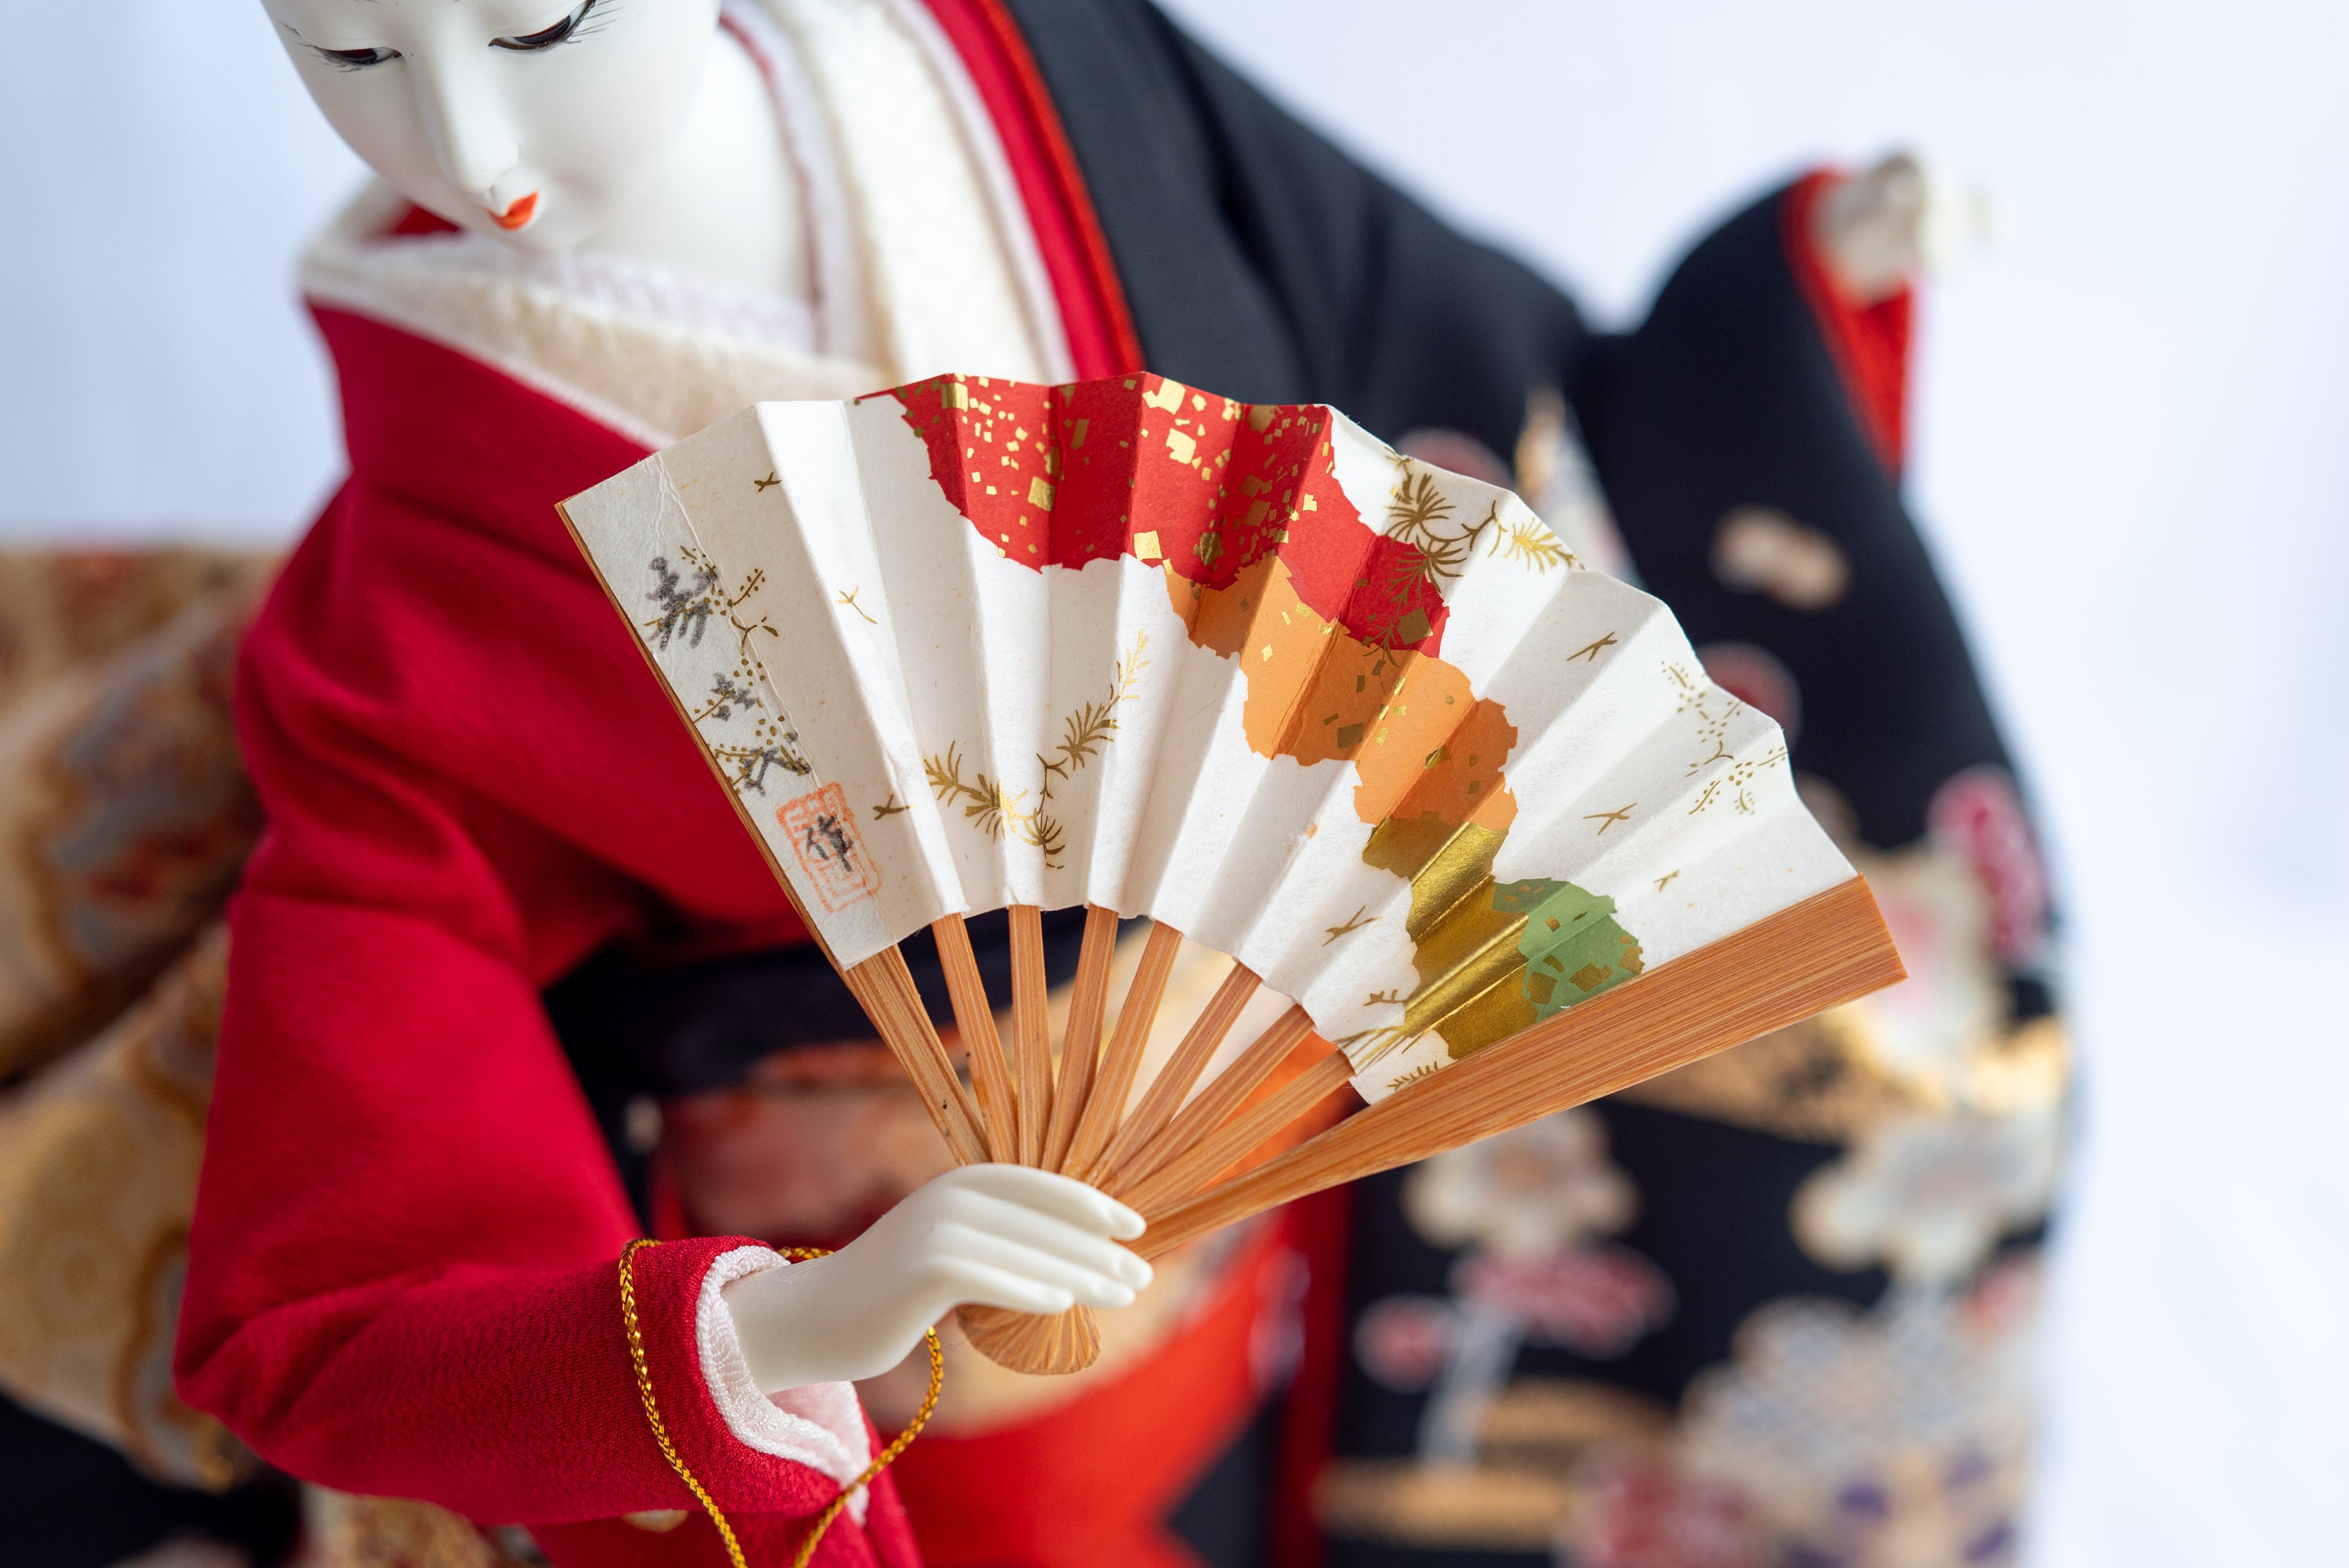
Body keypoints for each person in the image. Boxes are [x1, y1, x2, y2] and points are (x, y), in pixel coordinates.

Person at [149, 2, 2062, 1565]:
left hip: (1278, 1101)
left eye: (543, 20)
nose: (474, 152)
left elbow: (1439, 373)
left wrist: (1765, 343)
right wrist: (779, 1332)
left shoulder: (1042, 78)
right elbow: (375, 1106)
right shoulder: (407, 592)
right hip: (920, 1276)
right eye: (354, 57)